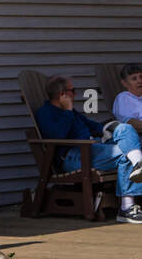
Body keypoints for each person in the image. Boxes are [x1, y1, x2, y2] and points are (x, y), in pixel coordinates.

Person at [35, 74, 142, 224]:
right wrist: (67, 111)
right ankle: (127, 207)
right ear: (62, 94)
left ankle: (138, 163)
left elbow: (94, 126)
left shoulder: (72, 113)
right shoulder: (45, 113)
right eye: (73, 90)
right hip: (75, 156)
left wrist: (112, 129)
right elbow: (58, 135)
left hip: (93, 149)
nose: (76, 94)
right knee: (127, 153)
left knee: (125, 129)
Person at [113, 63, 142, 133]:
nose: (140, 81)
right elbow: (129, 123)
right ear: (125, 83)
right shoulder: (123, 98)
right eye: (134, 79)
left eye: (141, 77)